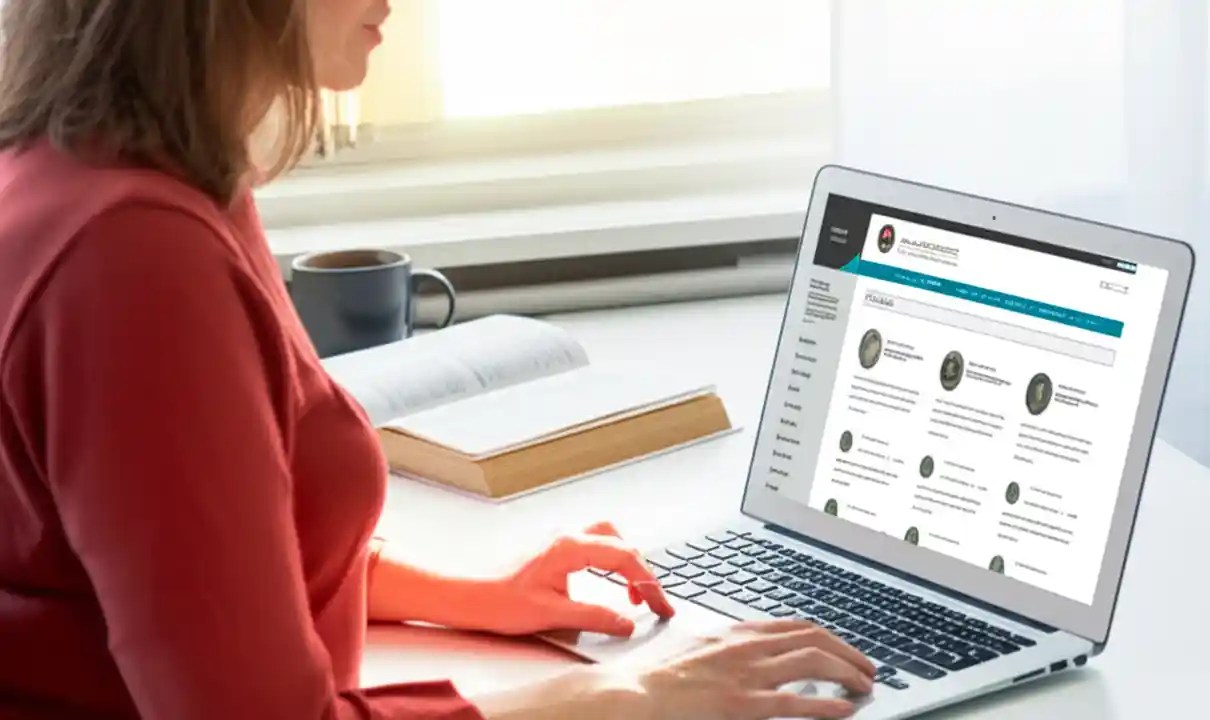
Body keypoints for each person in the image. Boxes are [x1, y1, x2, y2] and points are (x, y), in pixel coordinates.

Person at [0, 1, 875, 718]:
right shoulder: (135, 260)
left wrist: (478, 594)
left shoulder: (125, 178)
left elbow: (200, 572)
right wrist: (622, 698)